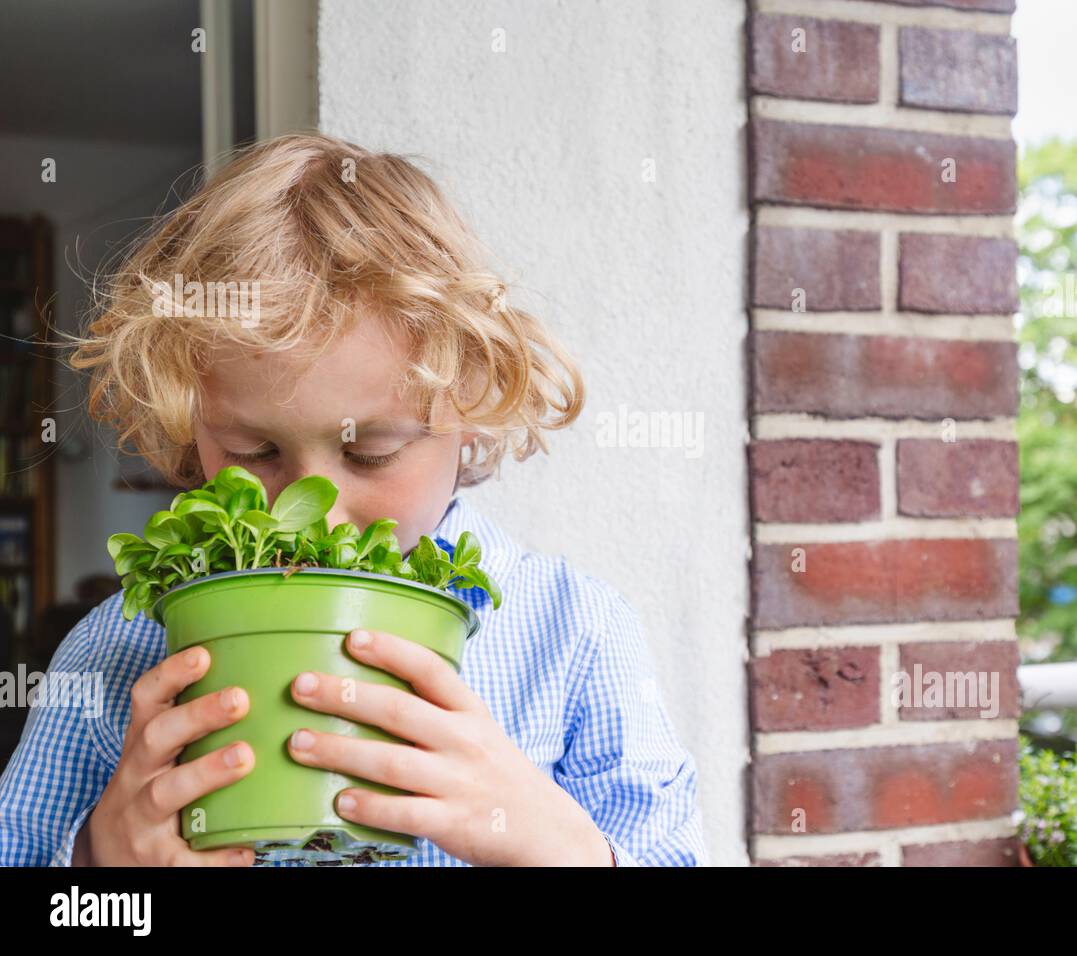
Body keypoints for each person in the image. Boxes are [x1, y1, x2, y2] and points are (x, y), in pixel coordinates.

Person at [0, 133, 706, 867]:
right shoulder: (118, 651)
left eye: (372, 452)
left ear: (470, 405)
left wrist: (566, 852)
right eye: (255, 453)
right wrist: (98, 865)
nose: (315, 514)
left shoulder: (575, 638)